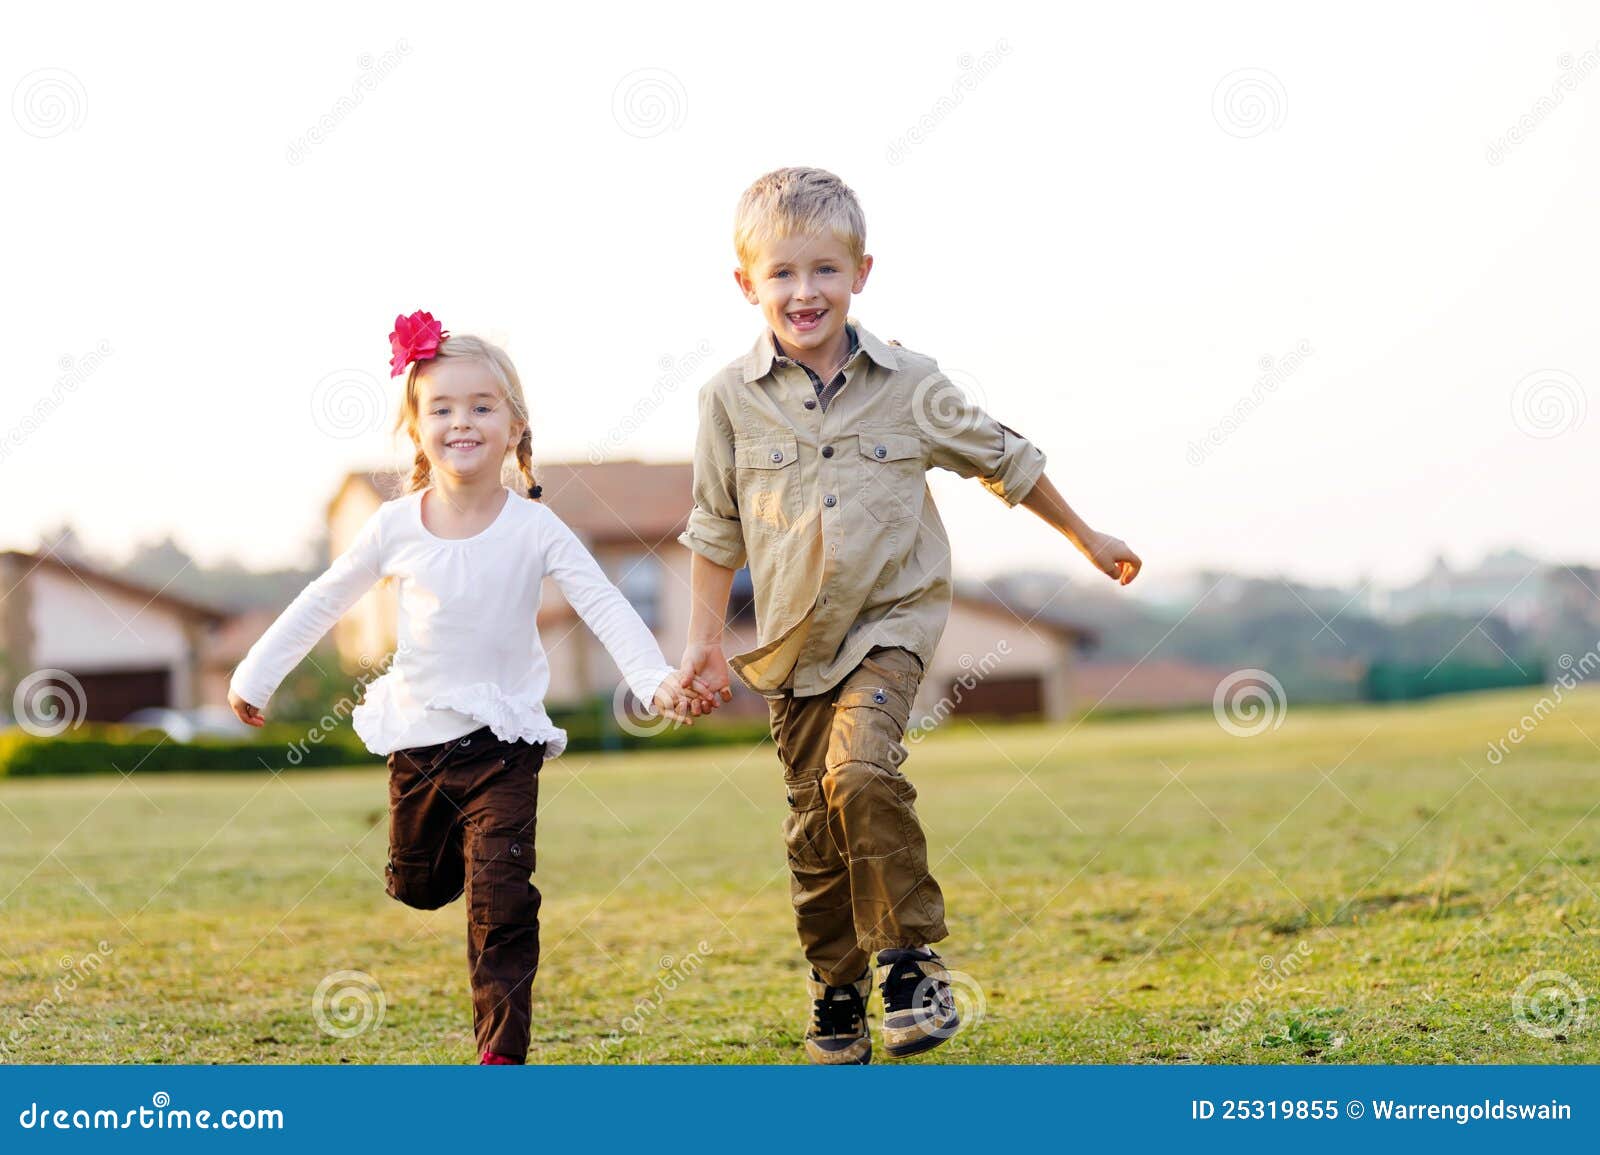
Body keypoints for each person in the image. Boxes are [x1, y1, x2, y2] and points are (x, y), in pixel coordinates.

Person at [676, 169, 1142, 1064]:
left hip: (888, 628)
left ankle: (909, 962)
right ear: (748, 284)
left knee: (859, 775)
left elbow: (1005, 458)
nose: (803, 291)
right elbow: (712, 528)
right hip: (792, 649)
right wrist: (700, 645)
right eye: (781, 273)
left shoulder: (910, 383)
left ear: (862, 273)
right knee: (815, 837)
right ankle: (836, 988)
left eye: (824, 270)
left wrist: (1084, 535)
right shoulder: (725, 401)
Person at [228, 310, 710, 1064]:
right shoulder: (394, 525)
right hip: (419, 744)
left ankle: (500, 1056)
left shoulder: (536, 527)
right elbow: (326, 596)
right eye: (442, 407)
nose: (463, 421)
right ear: (415, 427)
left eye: (482, 406)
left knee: (503, 900)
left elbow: (603, 602)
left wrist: (653, 681)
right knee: (420, 887)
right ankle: (430, 865)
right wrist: (256, 672)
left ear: (515, 425)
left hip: (505, 745)